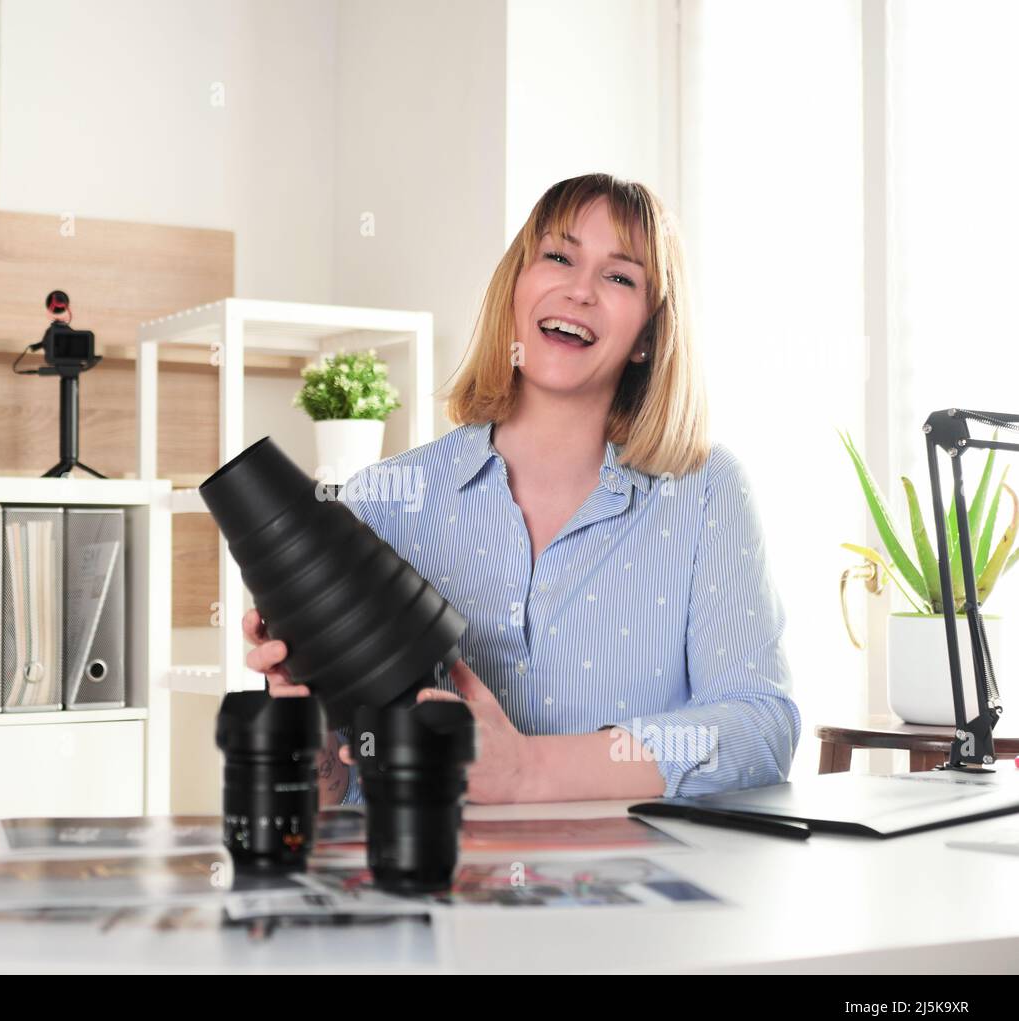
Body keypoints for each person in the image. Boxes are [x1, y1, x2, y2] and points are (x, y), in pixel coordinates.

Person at [244, 173, 801, 807]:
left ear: (648, 335)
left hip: (634, 894)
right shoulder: (383, 502)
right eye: (558, 257)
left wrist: (531, 769)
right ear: (517, 286)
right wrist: (308, 720)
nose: (579, 290)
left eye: (620, 277)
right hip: (434, 890)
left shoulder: (704, 494)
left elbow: (760, 728)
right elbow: (342, 797)